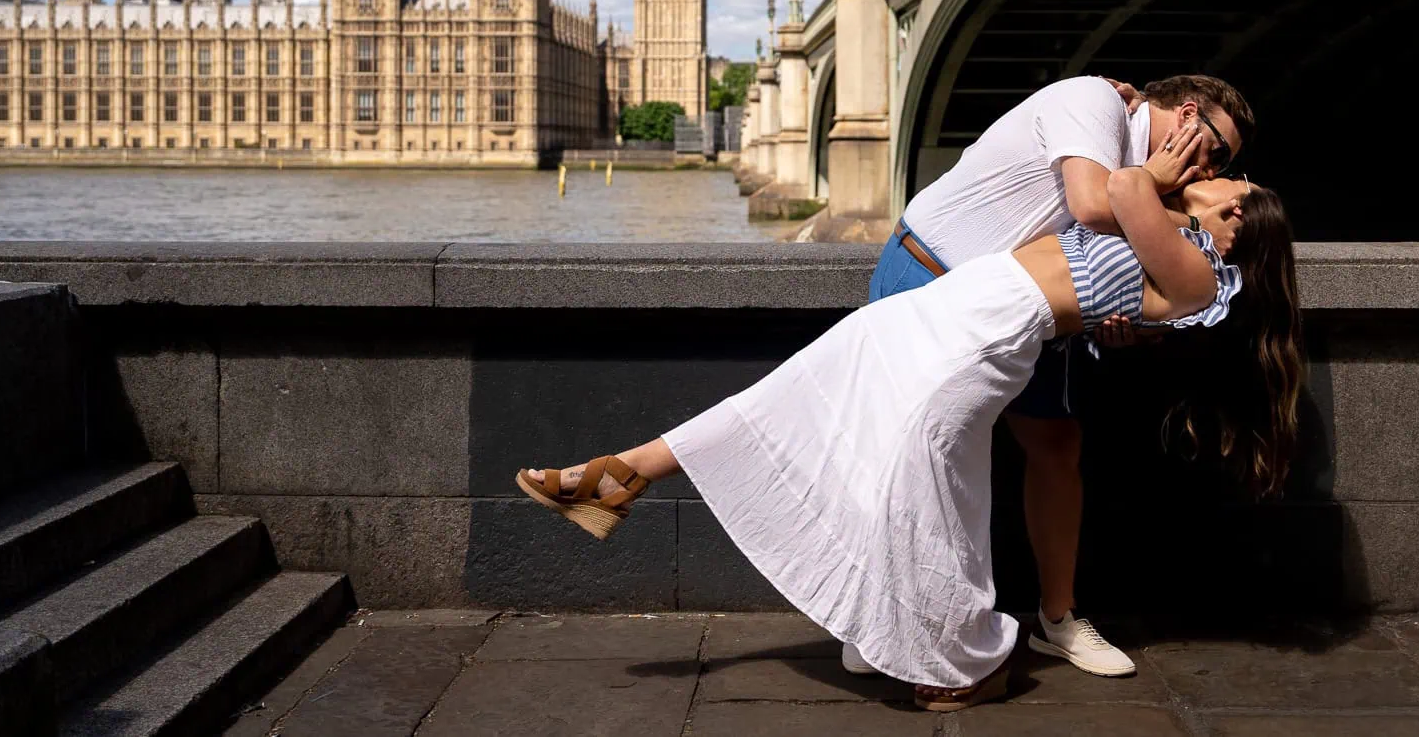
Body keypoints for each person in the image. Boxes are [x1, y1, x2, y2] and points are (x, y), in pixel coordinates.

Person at [515, 129, 1303, 712]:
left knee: (931, 494)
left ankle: (957, 664)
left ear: (1238, 212)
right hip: (937, 309)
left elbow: (1126, 191)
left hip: (985, 336)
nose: (1207, 172)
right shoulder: (1170, 233)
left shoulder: (1201, 272)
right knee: (787, 402)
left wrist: (1158, 172)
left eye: (1223, 177)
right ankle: (617, 478)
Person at [863, 73, 1255, 678]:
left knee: (1055, 444)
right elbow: (1094, 206)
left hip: (1021, 308)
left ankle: (1059, 619)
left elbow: (1099, 256)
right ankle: (880, 624)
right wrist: (1181, 213)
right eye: (1217, 150)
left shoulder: (1139, 168)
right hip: (931, 278)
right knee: (915, 455)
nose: (1209, 171)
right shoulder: (1093, 102)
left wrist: (1113, 321)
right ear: (1184, 114)